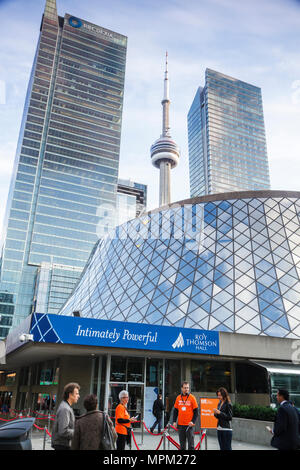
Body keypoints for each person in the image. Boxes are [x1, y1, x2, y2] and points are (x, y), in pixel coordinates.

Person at [51, 382, 80, 451]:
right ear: (70, 395)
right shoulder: (65, 408)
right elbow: (63, 431)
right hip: (62, 446)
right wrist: (78, 432)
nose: (78, 396)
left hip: (63, 444)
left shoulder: (66, 407)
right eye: (76, 393)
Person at [173, 381, 199, 450]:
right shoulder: (178, 398)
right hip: (181, 425)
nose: (186, 389)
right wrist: (174, 421)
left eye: (187, 388)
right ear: (181, 388)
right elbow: (175, 411)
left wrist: (193, 421)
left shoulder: (192, 398)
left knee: (191, 445)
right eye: (185, 388)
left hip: (189, 425)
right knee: (182, 445)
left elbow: (196, 412)